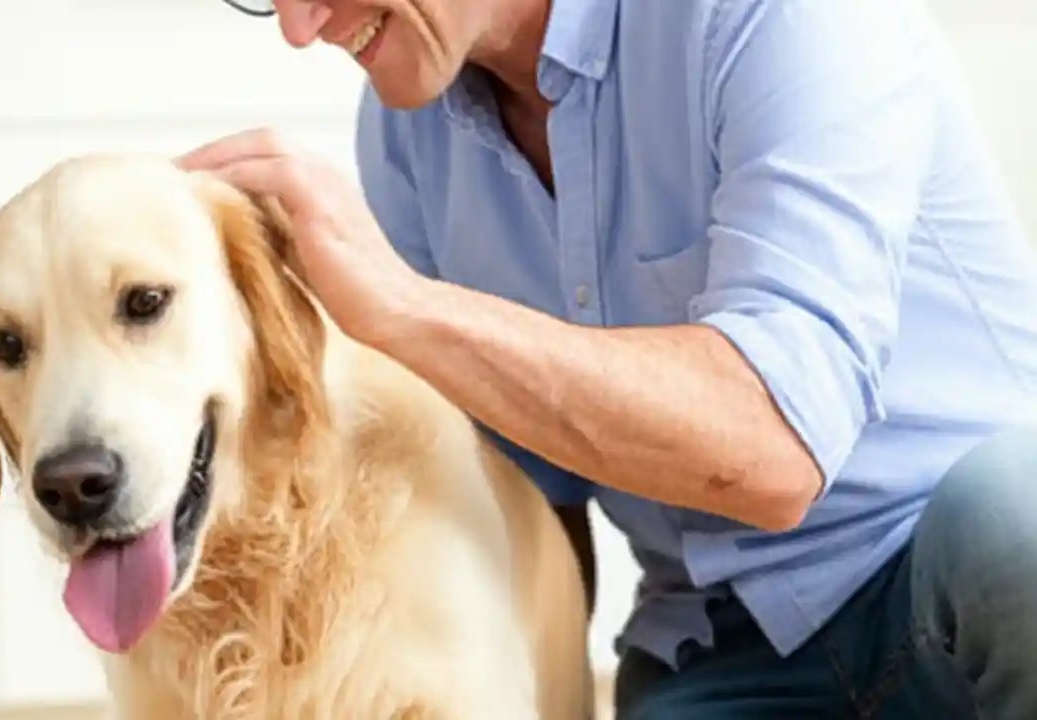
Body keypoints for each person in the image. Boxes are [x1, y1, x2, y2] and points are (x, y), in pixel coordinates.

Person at [178, 0, 1037, 716]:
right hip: (720, 650)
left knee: (1019, 519)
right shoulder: (407, 139)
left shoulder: (774, 15)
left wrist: (403, 308)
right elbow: (522, 509)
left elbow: (774, 447)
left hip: (953, 572)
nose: (299, 25)